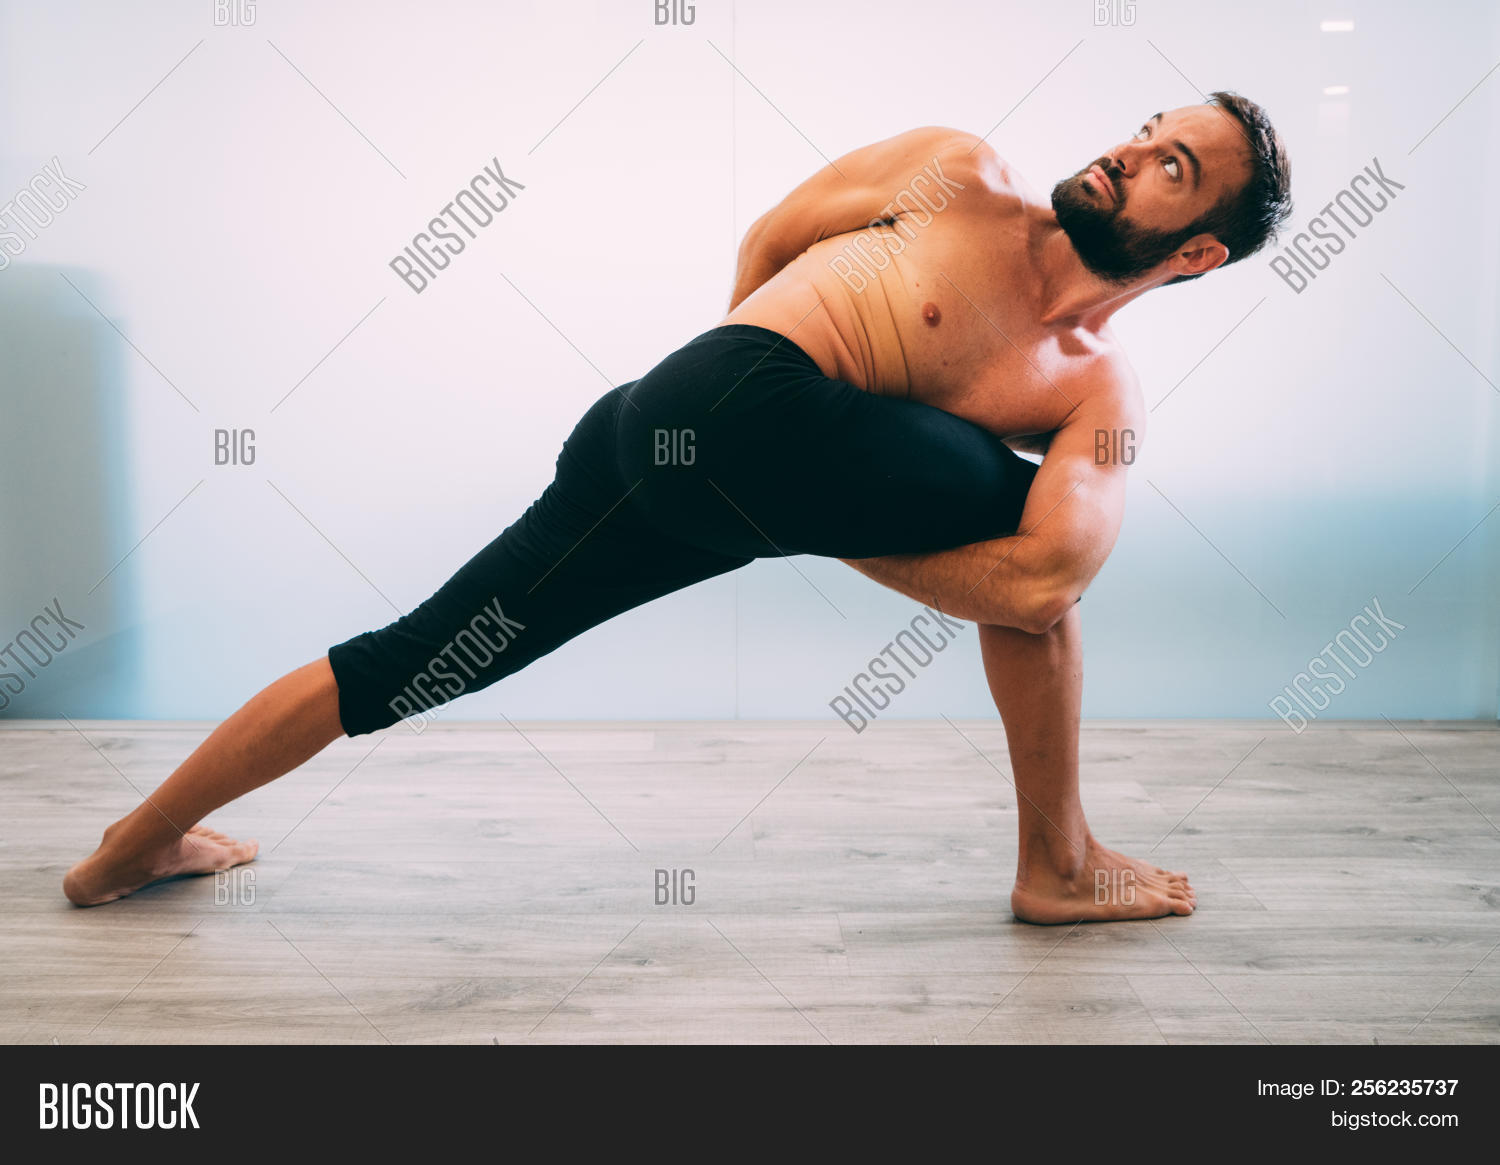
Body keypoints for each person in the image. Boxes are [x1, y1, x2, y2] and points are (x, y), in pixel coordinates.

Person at [64, 92, 1291, 923]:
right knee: (1000, 507)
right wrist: (731, 429)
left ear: (1193, 255)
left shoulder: (1094, 392)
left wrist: (752, 497)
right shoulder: (957, 173)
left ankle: (135, 845)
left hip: (691, 468)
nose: (1128, 152)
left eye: (1171, 166)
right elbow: (772, 239)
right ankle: (1062, 862)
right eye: (1144, 131)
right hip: (683, 408)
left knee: (410, 665)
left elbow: (1046, 583)